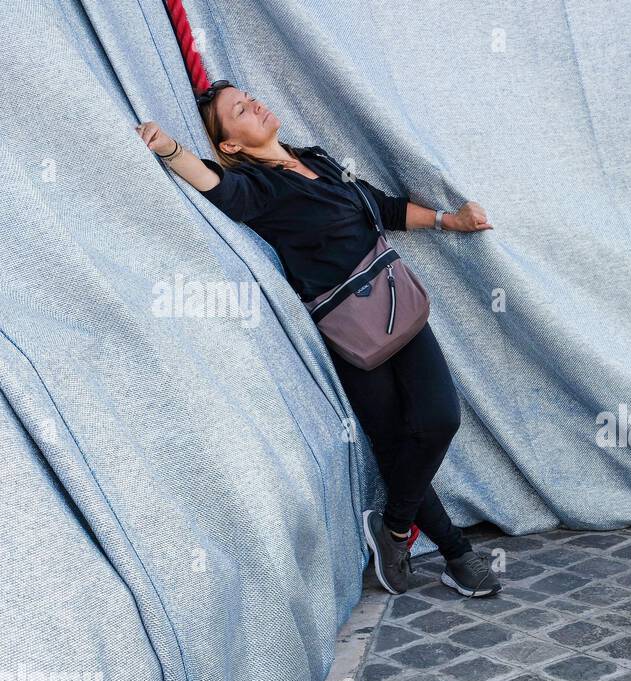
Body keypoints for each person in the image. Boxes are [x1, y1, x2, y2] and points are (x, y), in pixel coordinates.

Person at [135, 82, 503, 598]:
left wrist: (450, 221)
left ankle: (394, 531)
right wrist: (170, 149)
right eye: (239, 110)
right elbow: (218, 188)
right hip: (348, 329)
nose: (256, 104)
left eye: (250, 97)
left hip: (398, 304)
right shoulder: (258, 186)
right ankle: (457, 555)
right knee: (397, 442)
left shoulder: (318, 159)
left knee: (439, 418)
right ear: (232, 145)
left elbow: (381, 207)